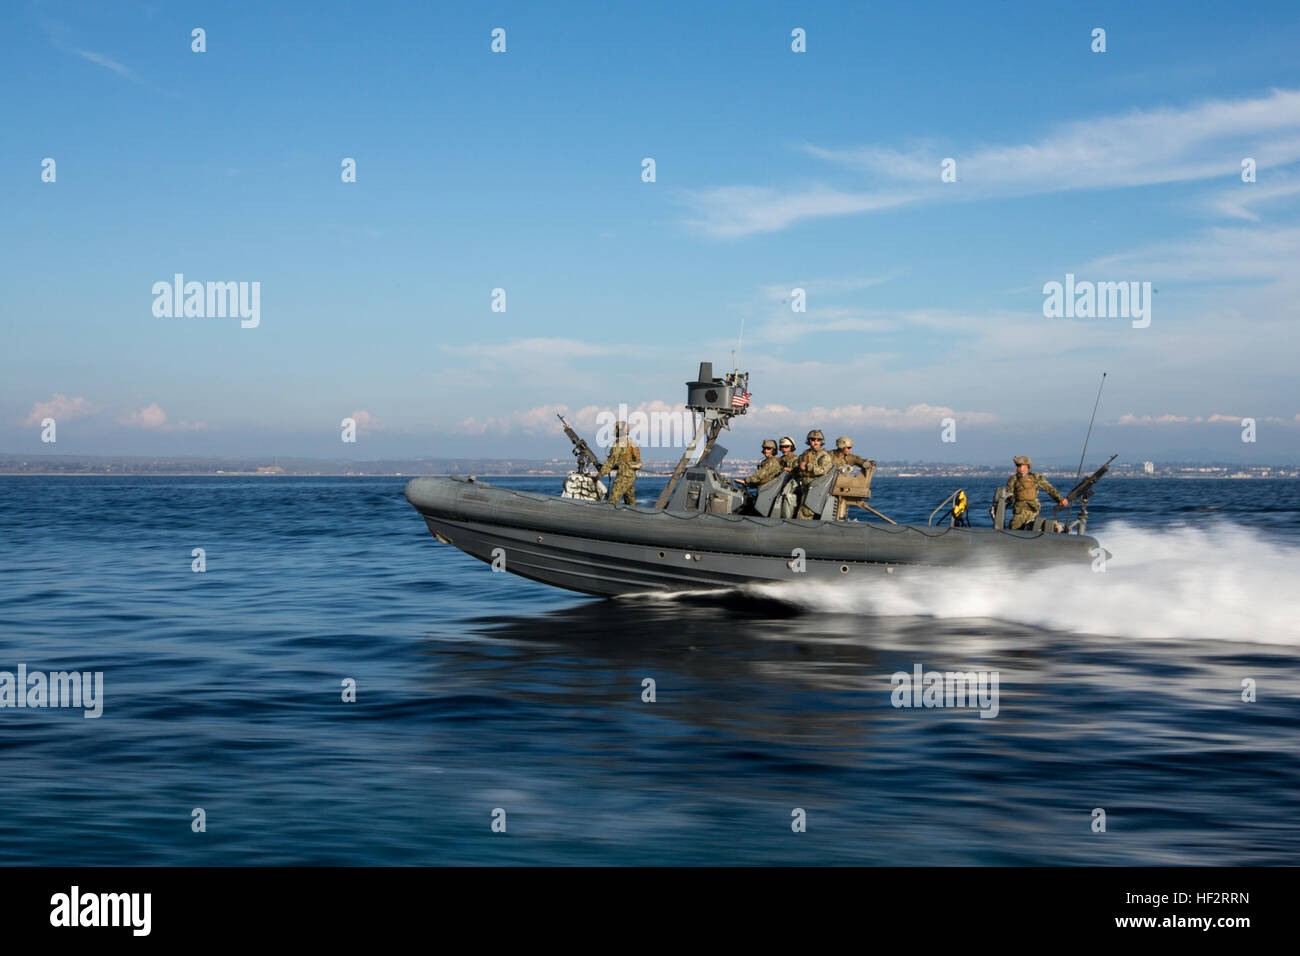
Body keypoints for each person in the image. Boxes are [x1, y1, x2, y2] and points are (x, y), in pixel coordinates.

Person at [1005, 455, 1067, 530]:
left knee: (1031, 527)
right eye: (1016, 465)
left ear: (1026, 466)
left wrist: (1060, 499)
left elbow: (1049, 489)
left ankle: (1052, 526)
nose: (1016, 467)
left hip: (1032, 509)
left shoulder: (1035, 477)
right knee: (1014, 528)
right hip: (1020, 511)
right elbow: (1009, 495)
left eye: (1018, 465)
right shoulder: (1013, 479)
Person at [598, 422, 642, 505]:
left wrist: (598, 476)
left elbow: (611, 462)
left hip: (624, 475)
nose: (614, 431)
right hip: (630, 475)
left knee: (613, 500)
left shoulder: (619, 444)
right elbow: (635, 460)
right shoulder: (631, 443)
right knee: (630, 501)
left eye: (616, 429)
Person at [795, 429, 834, 519]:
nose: (815, 442)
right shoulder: (805, 454)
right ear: (809, 441)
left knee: (806, 512)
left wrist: (808, 466)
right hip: (804, 484)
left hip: (816, 486)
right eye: (813, 440)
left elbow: (823, 470)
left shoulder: (824, 455)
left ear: (821, 442)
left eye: (818, 440)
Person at [775, 437, 800, 517]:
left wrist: (790, 470)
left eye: (786, 447)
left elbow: (798, 472)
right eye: (782, 447)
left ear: (791, 447)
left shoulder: (795, 459)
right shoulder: (779, 460)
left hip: (791, 485)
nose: (784, 449)